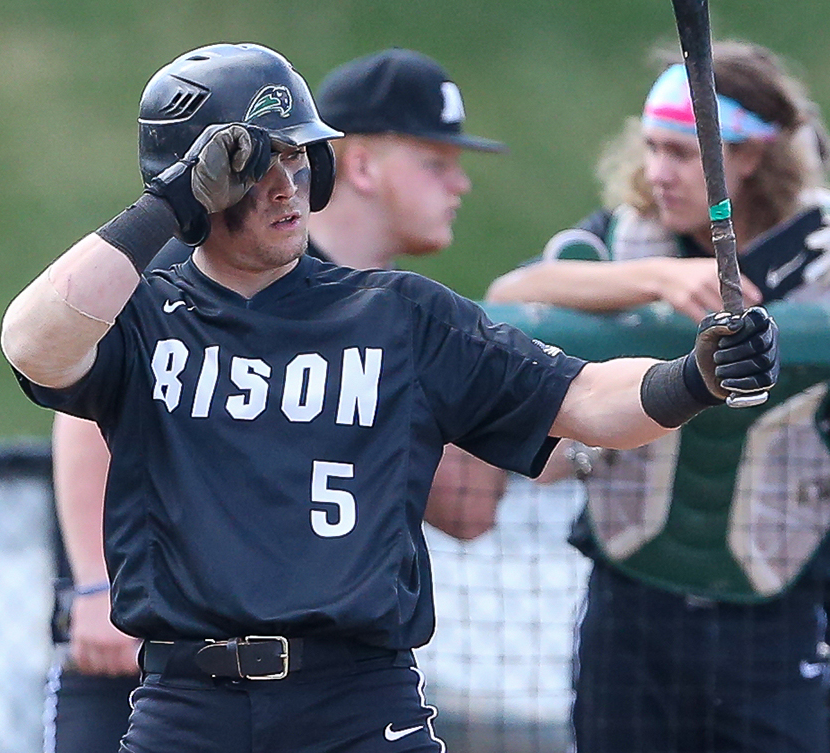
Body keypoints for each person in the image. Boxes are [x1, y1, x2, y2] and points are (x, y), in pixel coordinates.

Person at [1, 42, 780, 753]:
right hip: (184, 702)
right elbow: (32, 340)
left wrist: (695, 377)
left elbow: (583, 397)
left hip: (358, 700)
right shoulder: (145, 317)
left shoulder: (399, 313)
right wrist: (170, 204)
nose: (286, 187)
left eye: (300, 160)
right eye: (253, 168)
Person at [484, 41, 830, 753]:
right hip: (633, 600)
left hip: (783, 610)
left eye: (682, 153)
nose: (657, 172)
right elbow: (511, 294)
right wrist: (655, 279)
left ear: (746, 158)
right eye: (651, 148)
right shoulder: (630, 239)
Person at [46, 47, 514, 753]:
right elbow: (78, 412)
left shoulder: (388, 312)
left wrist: (534, 400)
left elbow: (463, 509)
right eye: (435, 160)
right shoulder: (216, 264)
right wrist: (92, 586)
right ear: (357, 164)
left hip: (309, 682)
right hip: (152, 640)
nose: (461, 182)